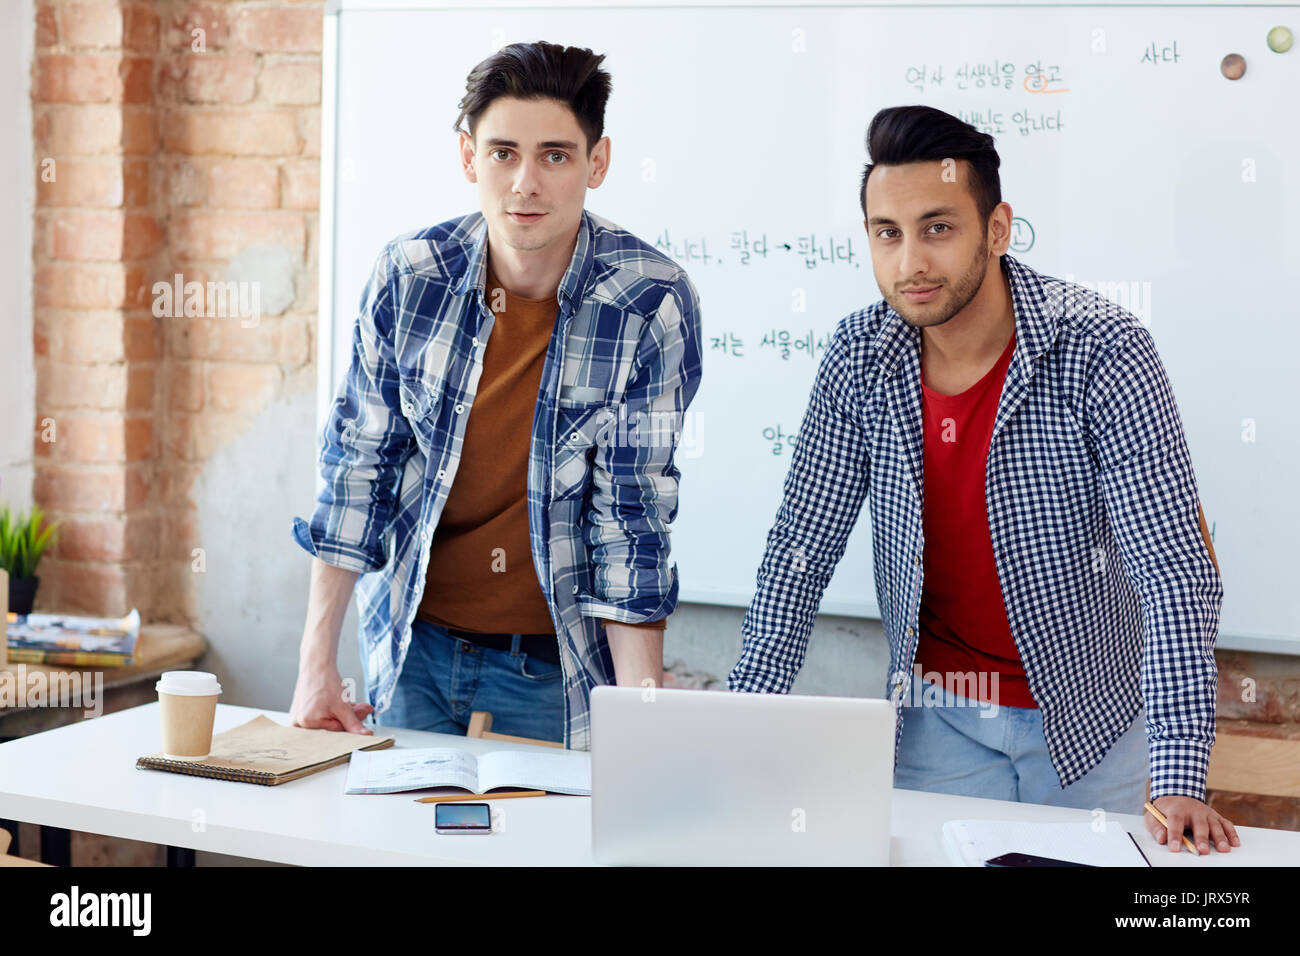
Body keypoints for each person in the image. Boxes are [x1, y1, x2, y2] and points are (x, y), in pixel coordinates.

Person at [729, 105, 1238, 854]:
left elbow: (1171, 568)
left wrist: (1181, 772)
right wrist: (740, 722)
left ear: (997, 229)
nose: (910, 264)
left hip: (1093, 719)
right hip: (939, 719)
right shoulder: (859, 355)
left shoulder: (1102, 349)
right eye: (887, 234)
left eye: (938, 228)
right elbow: (801, 547)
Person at [288, 41, 702, 750]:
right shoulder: (410, 277)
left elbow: (631, 516)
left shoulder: (648, 301)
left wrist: (640, 714)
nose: (525, 184)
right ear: (468, 158)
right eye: (503, 152)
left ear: (595, 163)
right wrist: (316, 661)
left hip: (551, 670)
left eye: (555, 155)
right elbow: (359, 470)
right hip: (413, 652)